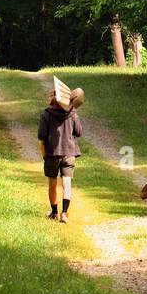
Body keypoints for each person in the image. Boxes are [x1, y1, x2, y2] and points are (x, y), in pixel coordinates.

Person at [38, 86, 84, 223]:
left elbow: (41, 136)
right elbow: (79, 133)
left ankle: (54, 212)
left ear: (53, 98)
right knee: (67, 183)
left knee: (52, 183)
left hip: (52, 153)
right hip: (69, 153)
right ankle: (64, 213)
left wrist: (44, 154)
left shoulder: (46, 114)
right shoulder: (73, 113)